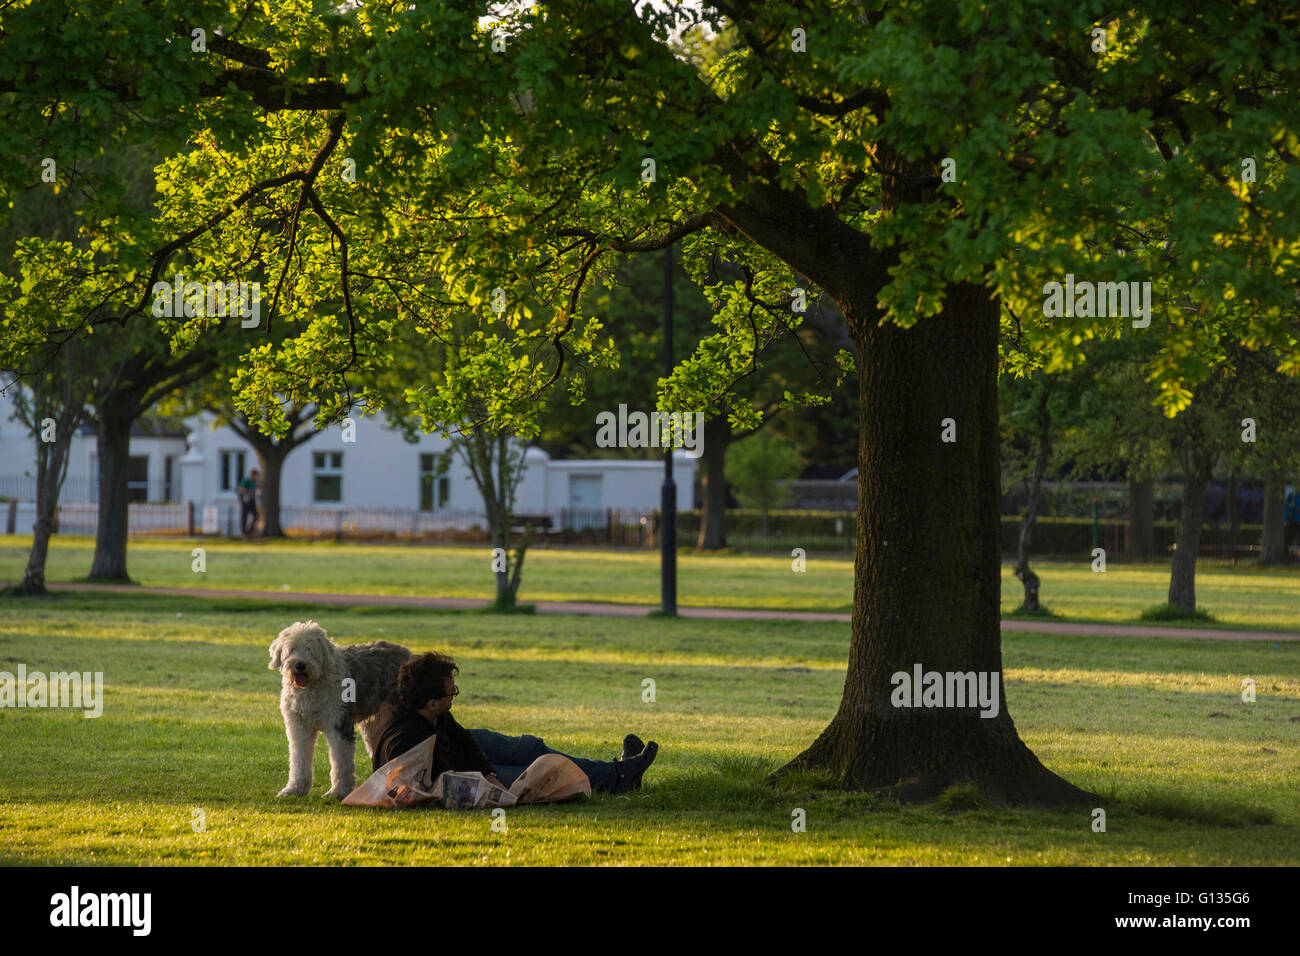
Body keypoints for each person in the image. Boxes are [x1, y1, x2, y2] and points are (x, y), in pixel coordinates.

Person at [372, 652, 658, 795]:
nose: (455, 695)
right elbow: (418, 784)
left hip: (453, 751)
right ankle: (618, 778)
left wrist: (485, 766)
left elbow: (459, 736)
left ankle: (617, 773)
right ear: (432, 703)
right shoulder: (406, 739)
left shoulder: (419, 700)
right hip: (451, 774)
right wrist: (487, 777)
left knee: (530, 747)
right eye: (451, 693)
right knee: (537, 773)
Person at [238, 468, 261, 537]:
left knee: (256, 515)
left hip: (252, 501)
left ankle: (250, 529)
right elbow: (241, 489)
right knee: (244, 515)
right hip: (245, 501)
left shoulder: (255, 482)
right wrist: (249, 491)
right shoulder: (246, 481)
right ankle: (244, 532)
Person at [1285, 486, 1299, 559]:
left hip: (1294, 520)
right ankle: (1286, 555)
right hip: (1293, 520)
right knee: (1288, 539)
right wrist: (1285, 520)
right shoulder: (1292, 496)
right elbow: (1287, 507)